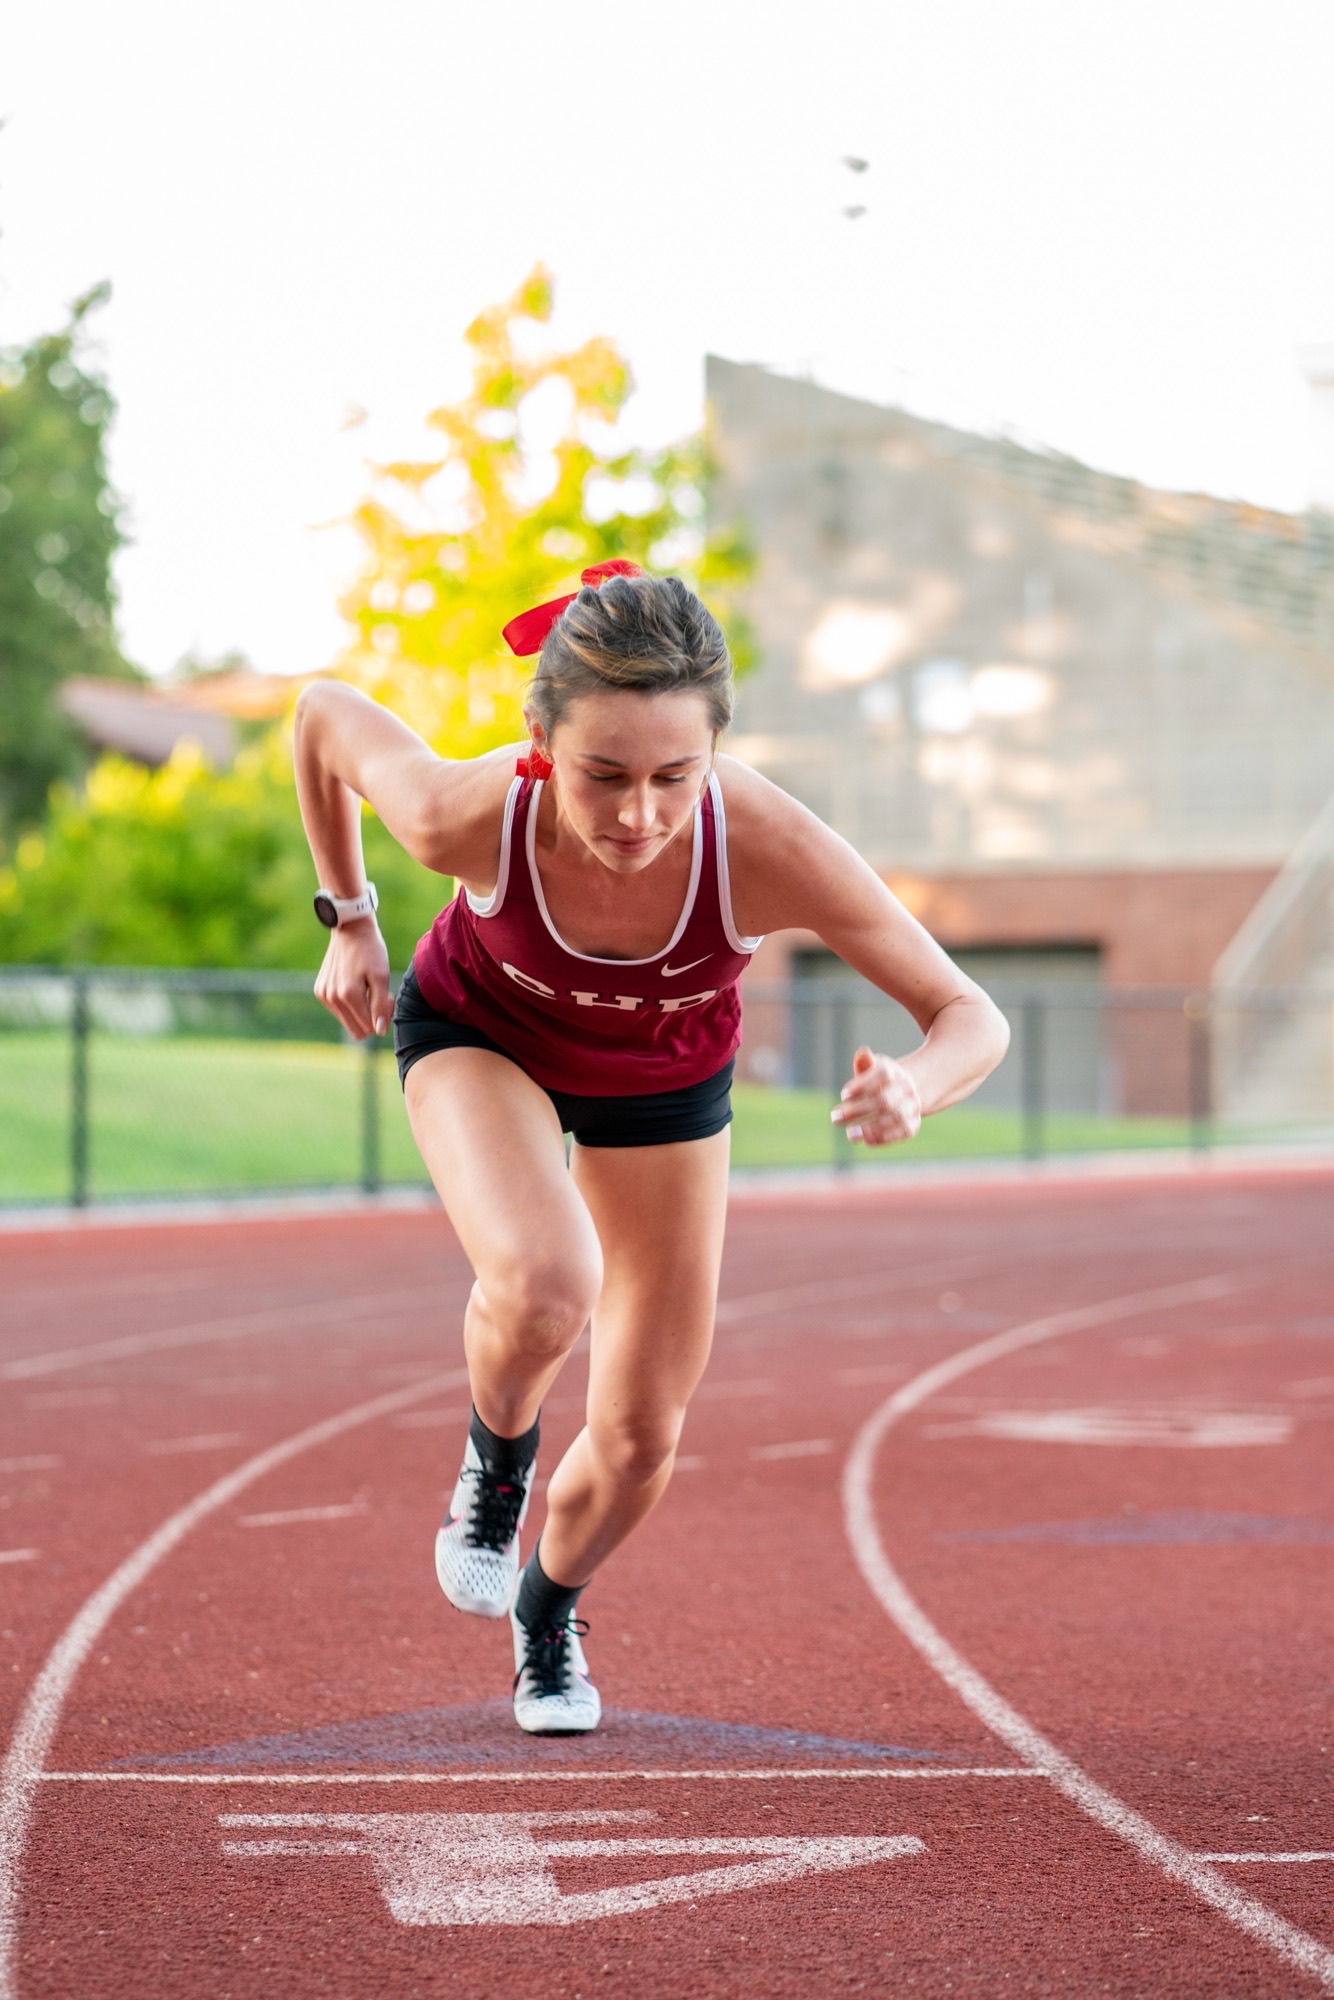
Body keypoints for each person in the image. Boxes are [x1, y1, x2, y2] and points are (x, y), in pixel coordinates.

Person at [293, 561, 1008, 1735]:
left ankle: (546, 1615)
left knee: (637, 1437)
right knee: (545, 1281)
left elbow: (969, 1013)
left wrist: (915, 1089)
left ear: (715, 755)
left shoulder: (764, 842)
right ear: (538, 743)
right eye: (603, 775)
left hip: (660, 1080)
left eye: (676, 777)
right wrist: (354, 916)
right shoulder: (467, 811)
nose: (638, 815)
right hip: (485, 1033)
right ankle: (495, 1462)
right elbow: (322, 713)